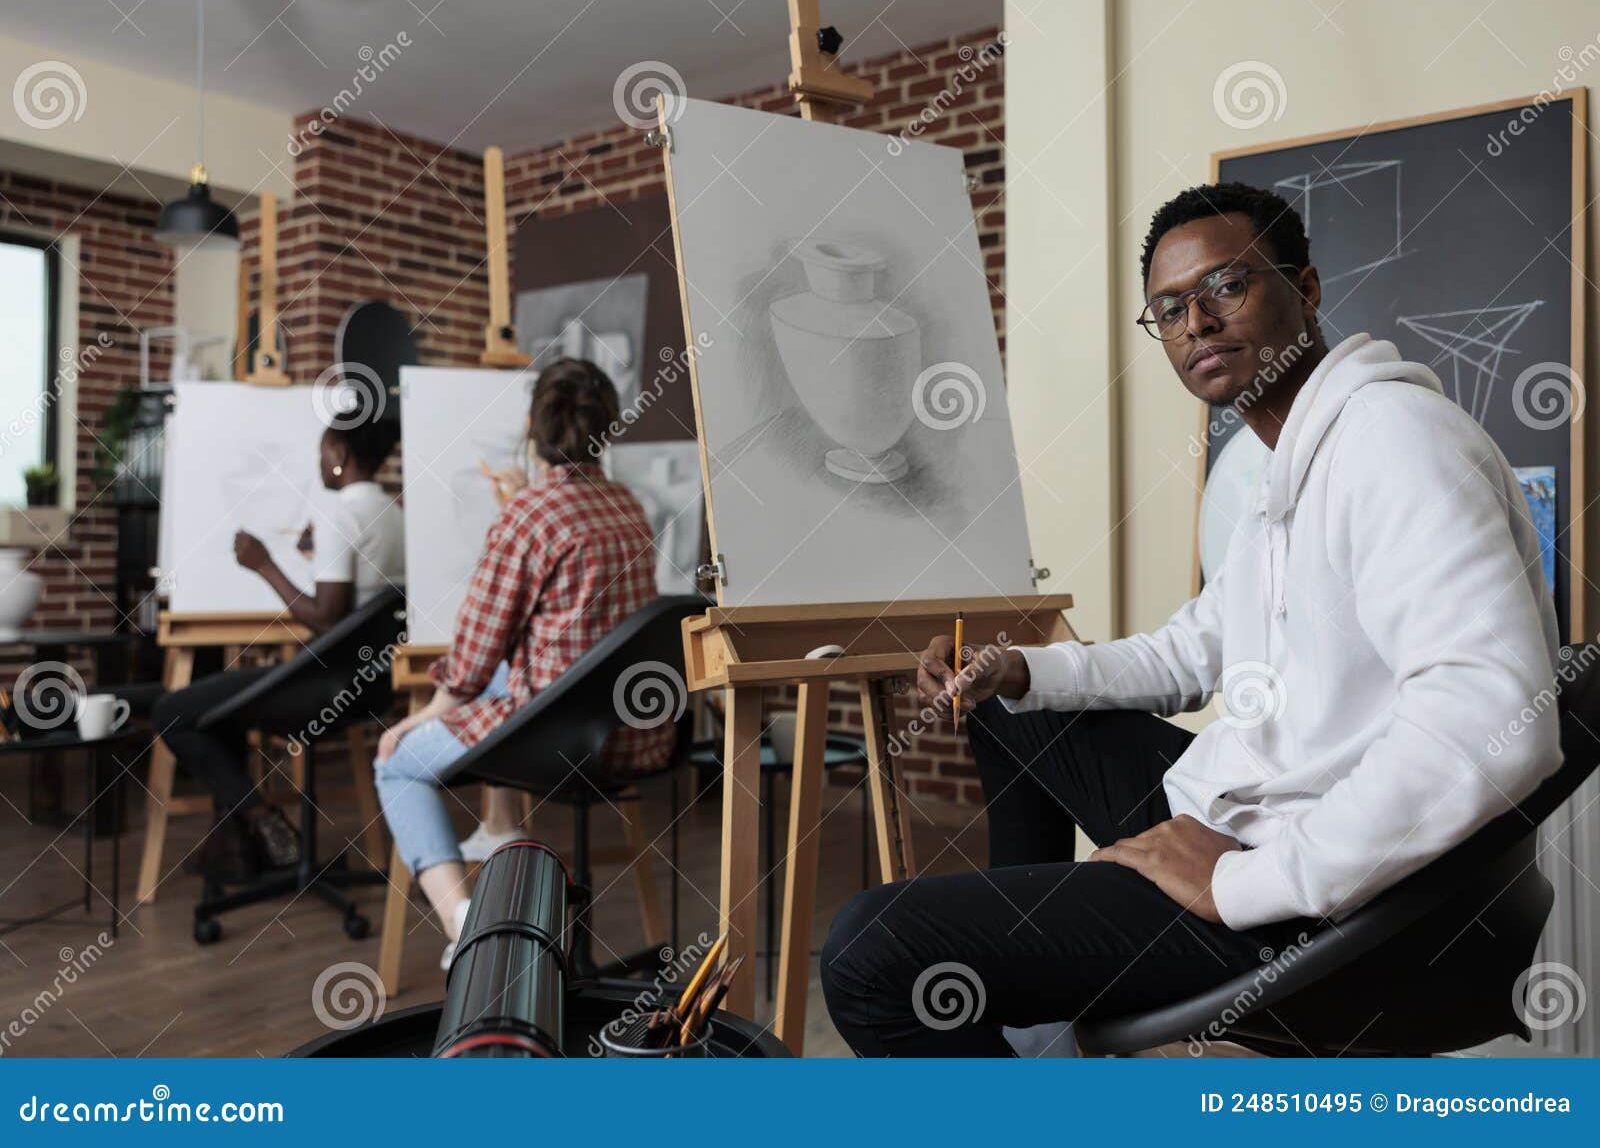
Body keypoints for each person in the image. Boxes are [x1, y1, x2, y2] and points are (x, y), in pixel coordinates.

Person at [821, 181, 1562, 1056]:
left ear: (1306, 288)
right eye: (1170, 309)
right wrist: (1021, 667)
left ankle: (1030, 977)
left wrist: (1240, 883)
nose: (1197, 323)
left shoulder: (1397, 441)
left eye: (1227, 286)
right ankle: (1035, 981)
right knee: (1011, 709)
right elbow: (1196, 647)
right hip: (1256, 817)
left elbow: (1493, 724)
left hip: (1326, 896)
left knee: (872, 952)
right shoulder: (1277, 465)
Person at [373, 357, 671, 967]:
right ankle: (502, 826)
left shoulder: (530, 514)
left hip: (557, 742)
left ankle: (467, 926)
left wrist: (419, 718)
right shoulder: (629, 506)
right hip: (636, 733)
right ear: (608, 425)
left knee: (397, 764)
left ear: (533, 425)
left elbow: (472, 660)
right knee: (520, 670)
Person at [153, 410, 403, 885]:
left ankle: (266, 822)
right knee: (218, 713)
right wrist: (317, 554)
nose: (319, 461)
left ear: (339, 453)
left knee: (172, 712)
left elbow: (326, 617)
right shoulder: (394, 514)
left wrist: (264, 564)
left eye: (322, 452)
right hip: (370, 688)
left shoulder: (341, 514)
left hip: (325, 686)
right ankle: (241, 848)